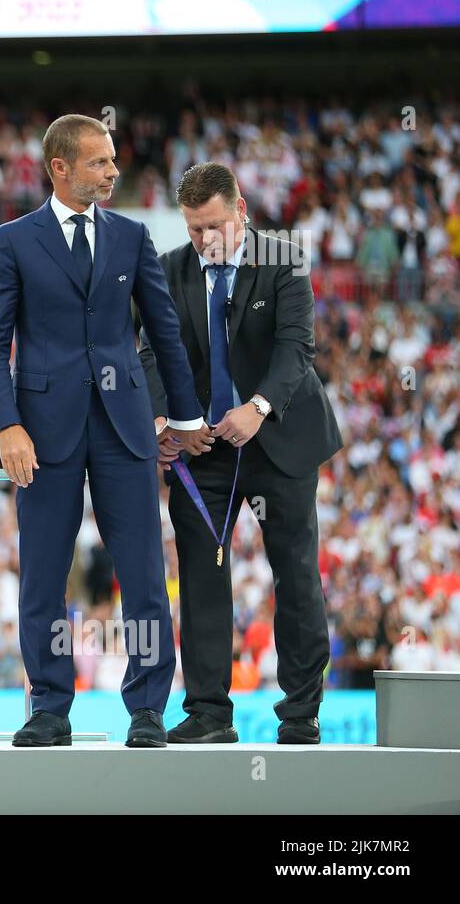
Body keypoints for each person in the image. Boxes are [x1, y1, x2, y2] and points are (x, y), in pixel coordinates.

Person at [0, 113, 213, 748]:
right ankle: (49, 708)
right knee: (42, 575)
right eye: (101, 162)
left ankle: (147, 710)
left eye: (113, 161)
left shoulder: (131, 237)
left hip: (125, 429)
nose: (114, 171)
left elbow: (164, 332)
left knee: (141, 574)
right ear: (60, 168)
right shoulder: (13, 241)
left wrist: (184, 419)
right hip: (42, 435)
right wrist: (8, 426)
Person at [139, 162, 342, 745]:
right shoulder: (168, 270)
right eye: (194, 229)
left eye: (214, 227)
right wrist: (166, 423)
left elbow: (295, 348)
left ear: (241, 211)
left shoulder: (283, 260)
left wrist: (254, 409)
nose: (205, 241)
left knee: (297, 574)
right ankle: (208, 713)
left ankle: (301, 714)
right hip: (201, 446)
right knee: (202, 576)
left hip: (275, 438)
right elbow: (152, 351)